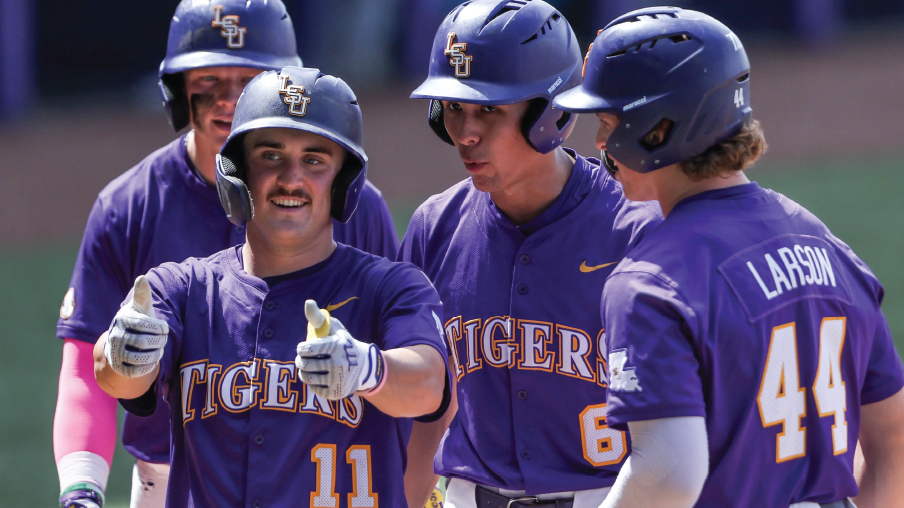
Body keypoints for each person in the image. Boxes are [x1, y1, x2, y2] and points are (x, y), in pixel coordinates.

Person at [552, 7, 904, 508]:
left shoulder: (652, 281)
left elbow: (667, 476)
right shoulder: (829, 250)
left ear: (658, 128)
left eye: (608, 121)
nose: (600, 142)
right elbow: (892, 444)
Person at [53, 2, 399, 507]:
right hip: (170, 485)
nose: (229, 99)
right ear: (177, 90)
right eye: (209, 79)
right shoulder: (130, 206)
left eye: (249, 80)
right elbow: (87, 363)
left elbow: (403, 359)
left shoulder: (350, 206)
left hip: (319, 479)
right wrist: (82, 487)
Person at [93, 66, 450, 508]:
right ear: (238, 171)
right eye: (271, 155)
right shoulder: (183, 289)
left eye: (315, 160)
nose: (291, 179)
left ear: (343, 182)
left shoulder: (390, 288)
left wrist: (368, 369)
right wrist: (124, 353)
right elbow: (117, 376)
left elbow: (430, 382)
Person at [400, 1, 663, 507]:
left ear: (553, 112)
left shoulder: (636, 229)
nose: (466, 134)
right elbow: (422, 411)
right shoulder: (435, 227)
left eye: (489, 110)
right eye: (454, 109)